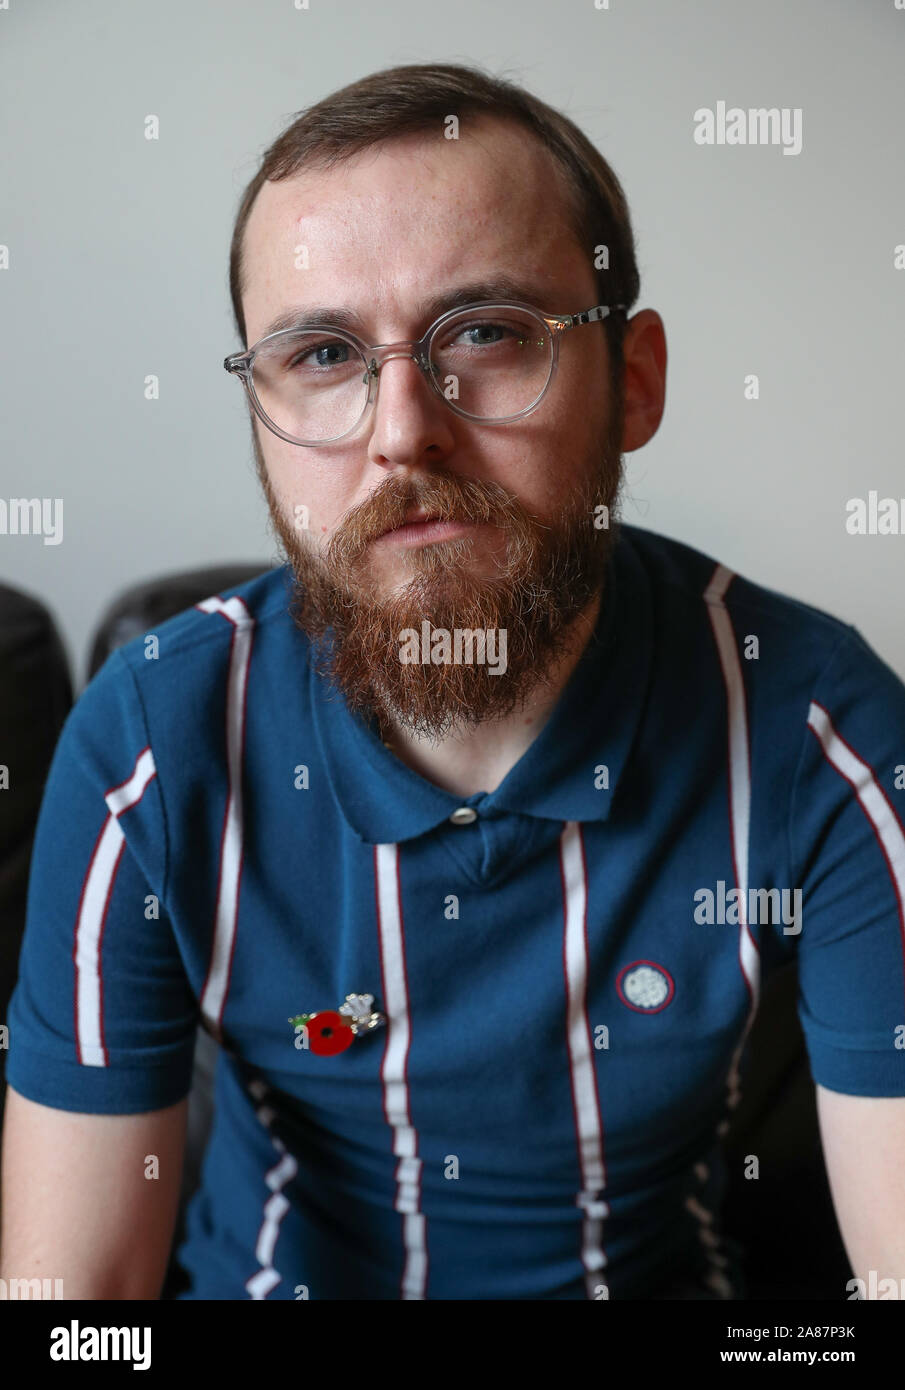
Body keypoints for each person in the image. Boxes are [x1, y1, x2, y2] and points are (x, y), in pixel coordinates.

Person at [2, 61, 904, 1302]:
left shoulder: (820, 732)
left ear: (630, 381)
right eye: (322, 353)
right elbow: (72, 1315)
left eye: (482, 333)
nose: (400, 429)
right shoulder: (148, 745)